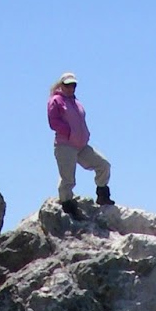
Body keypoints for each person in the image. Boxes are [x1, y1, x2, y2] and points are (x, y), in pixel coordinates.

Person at [47, 73, 114, 216]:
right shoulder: (56, 100)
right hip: (65, 145)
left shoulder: (75, 102)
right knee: (68, 178)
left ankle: (102, 194)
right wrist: (70, 132)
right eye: (67, 85)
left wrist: (85, 133)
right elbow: (54, 122)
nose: (71, 88)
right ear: (61, 85)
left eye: (73, 85)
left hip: (81, 145)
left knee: (103, 164)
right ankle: (67, 205)